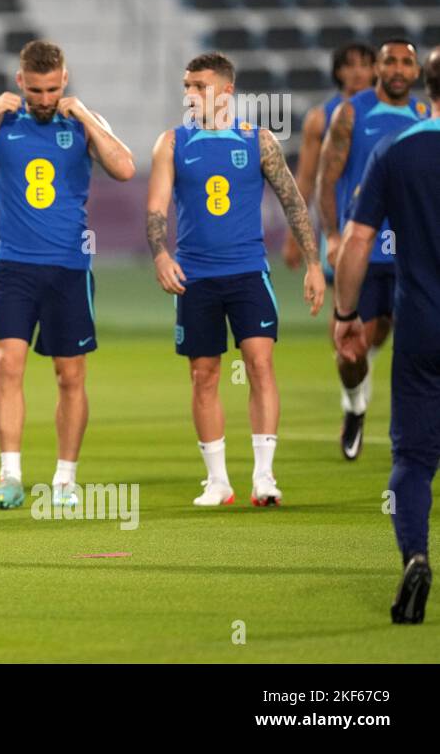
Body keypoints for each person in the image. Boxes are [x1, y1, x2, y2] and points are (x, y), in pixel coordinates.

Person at [0, 40, 136, 509]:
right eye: (35, 89)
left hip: (68, 269)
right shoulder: (2, 122)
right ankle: (10, 476)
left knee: (70, 376)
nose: (44, 99)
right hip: (14, 268)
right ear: (20, 81)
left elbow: (124, 168)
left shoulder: (81, 122)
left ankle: (65, 479)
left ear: (63, 80)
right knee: (8, 366)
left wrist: (85, 115)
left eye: (52, 89)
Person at [146, 53, 325, 507]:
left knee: (260, 365)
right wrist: (161, 253)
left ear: (226, 91)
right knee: (203, 376)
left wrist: (314, 264)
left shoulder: (258, 139)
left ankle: (264, 477)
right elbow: (156, 207)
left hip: (248, 273)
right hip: (196, 277)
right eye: (187, 85)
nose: (190, 94)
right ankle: (218, 482)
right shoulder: (171, 142)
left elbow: (293, 202)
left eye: (200, 86)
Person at [333, 45, 440, 623]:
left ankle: (416, 557)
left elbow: (355, 241)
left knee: (414, 458)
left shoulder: (396, 149)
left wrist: (347, 315)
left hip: (423, 324)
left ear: (427, 83)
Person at [316, 40, 427, 458]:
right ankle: (355, 405)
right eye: (390, 61)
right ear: (377, 68)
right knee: (348, 349)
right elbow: (327, 179)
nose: (398, 69)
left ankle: (414, 436)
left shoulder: (425, 117)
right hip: (361, 251)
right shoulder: (352, 114)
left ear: (416, 72)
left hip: (411, 253)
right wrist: (331, 236)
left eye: (406, 62)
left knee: (415, 345)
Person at [280, 41, 374, 271]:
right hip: (339, 224)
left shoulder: (393, 114)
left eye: (365, 65)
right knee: (343, 304)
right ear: (338, 71)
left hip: (386, 224)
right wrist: (295, 236)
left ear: (375, 70)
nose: (358, 72)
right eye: (350, 65)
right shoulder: (321, 118)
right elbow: (306, 178)